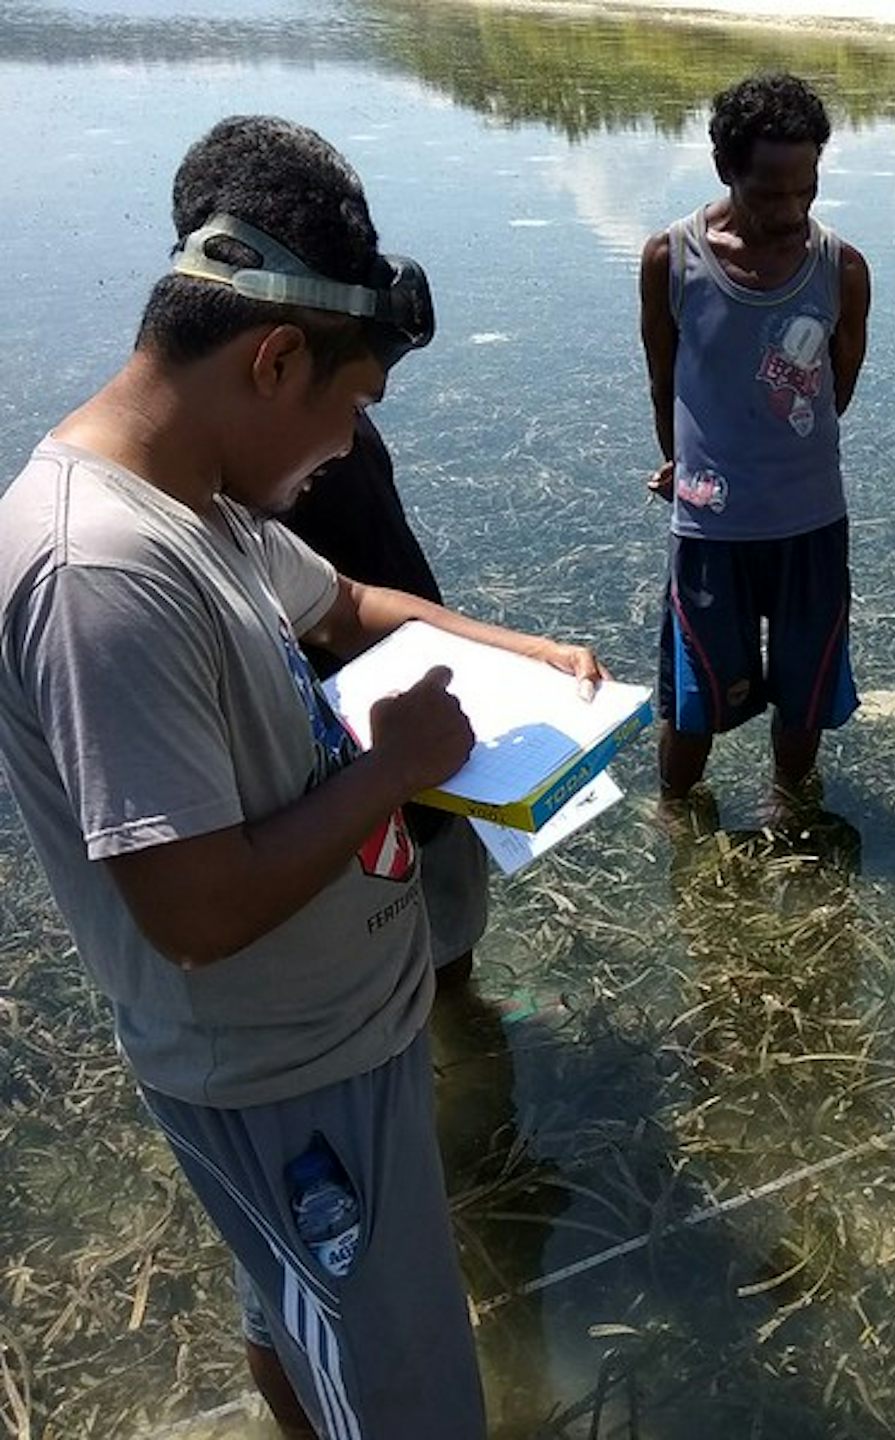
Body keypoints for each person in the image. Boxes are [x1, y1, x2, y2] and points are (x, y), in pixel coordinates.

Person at [0, 116, 606, 1439]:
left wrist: (528, 655)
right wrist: (393, 769)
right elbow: (193, 910)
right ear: (276, 356)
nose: (346, 452)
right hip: (282, 1077)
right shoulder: (102, 571)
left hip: (337, 1042)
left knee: (308, 1318)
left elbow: (345, 604)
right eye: (350, 410)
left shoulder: (201, 500)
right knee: (406, 1401)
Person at [638, 71, 872, 819]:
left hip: (809, 522)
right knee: (694, 696)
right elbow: (664, 380)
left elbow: (839, 388)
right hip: (711, 527)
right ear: (724, 170)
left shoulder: (843, 269)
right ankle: (676, 819)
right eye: (770, 193)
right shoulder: (669, 261)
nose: (792, 210)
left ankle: (785, 806)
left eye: (806, 190)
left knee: (802, 693)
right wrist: (686, 465)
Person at [285, 413, 490, 988]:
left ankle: (461, 1022)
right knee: (383, 909)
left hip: (420, 677)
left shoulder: (337, 413)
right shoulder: (248, 460)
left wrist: (520, 651)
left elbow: (352, 599)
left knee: (449, 901)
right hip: (344, 723)